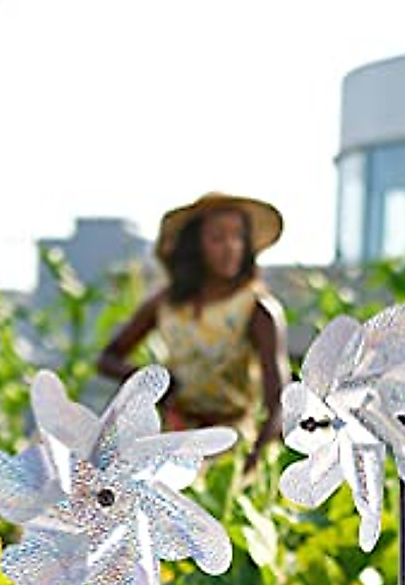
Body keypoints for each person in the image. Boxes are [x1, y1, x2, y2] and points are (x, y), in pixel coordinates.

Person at [97, 191, 291, 470]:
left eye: (238, 237)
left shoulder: (256, 309)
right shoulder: (165, 304)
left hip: (230, 447)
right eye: (217, 238)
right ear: (194, 246)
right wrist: (157, 383)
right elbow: (108, 358)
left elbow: (279, 403)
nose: (230, 247)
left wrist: (254, 459)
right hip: (171, 437)